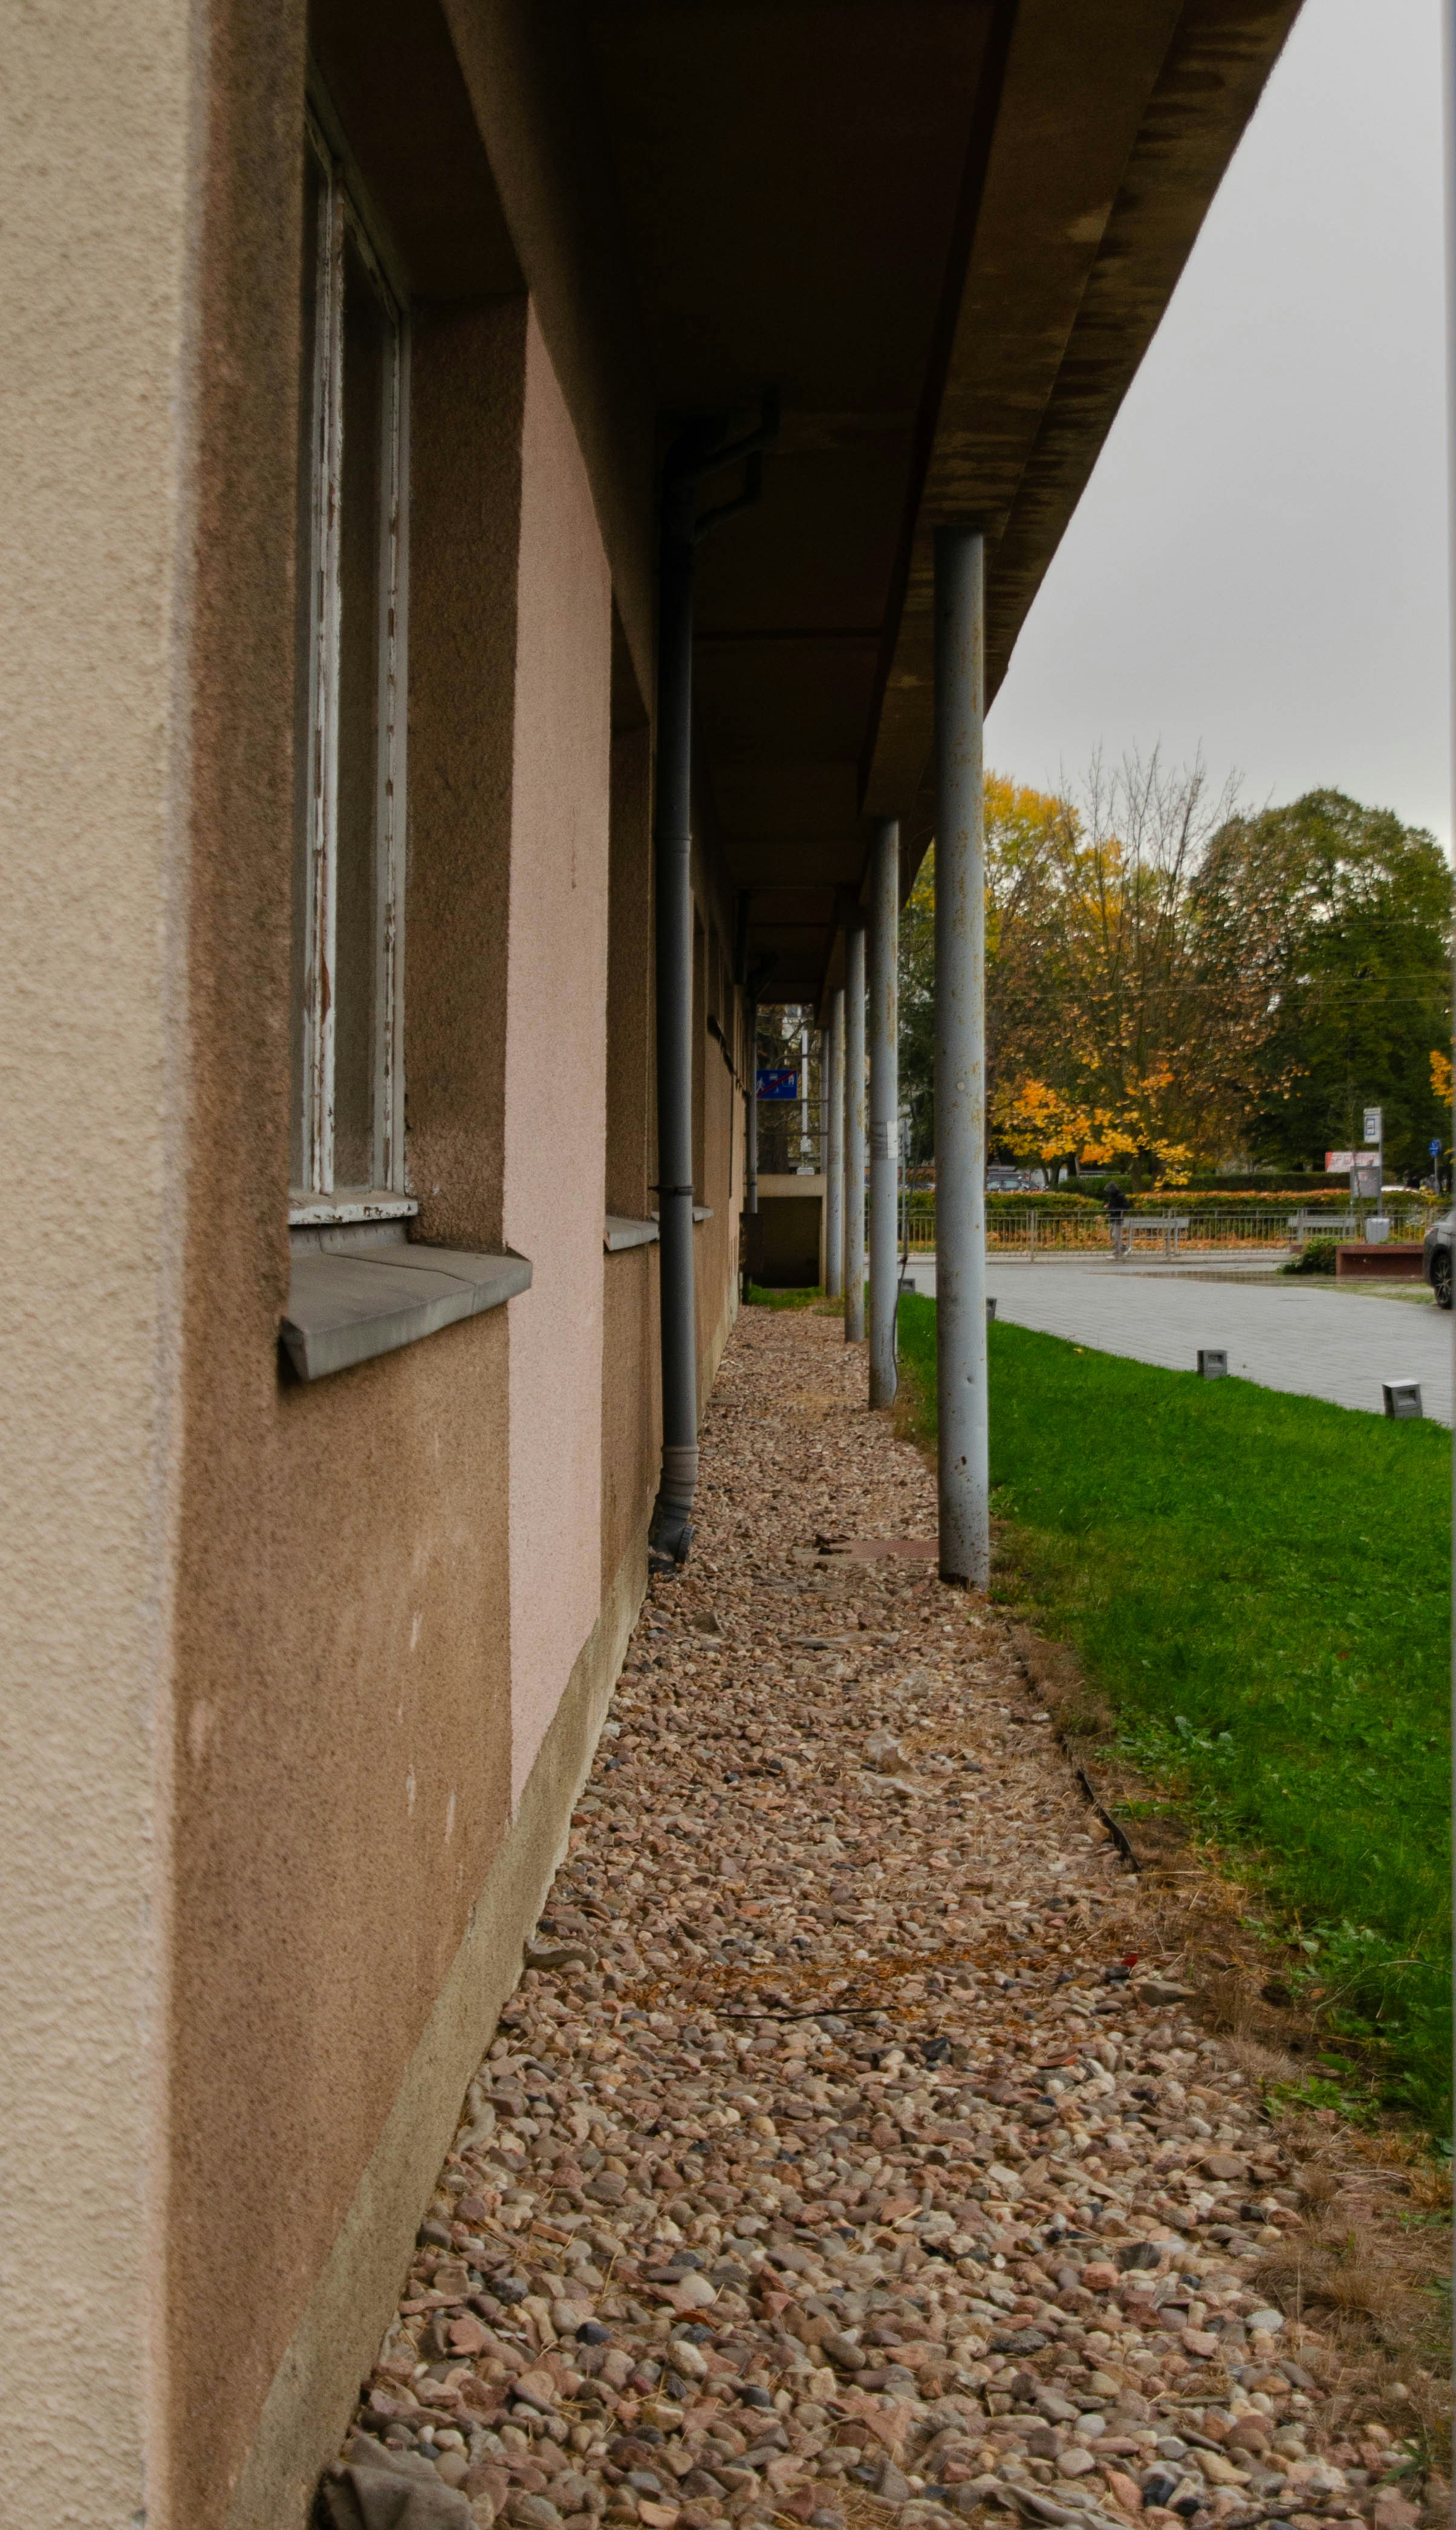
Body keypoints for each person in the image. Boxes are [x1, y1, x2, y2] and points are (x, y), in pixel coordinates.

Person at [1105, 1177, 1129, 1260]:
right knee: (1113, 1236)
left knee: (1115, 1235)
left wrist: (1114, 1210)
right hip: (1113, 1218)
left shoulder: (1120, 1196)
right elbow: (1112, 1206)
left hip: (1118, 1219)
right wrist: (1109, 1207)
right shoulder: (1113, 1197)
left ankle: (1117, 1254)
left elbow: (1126, 1207)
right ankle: (1123, 1248)